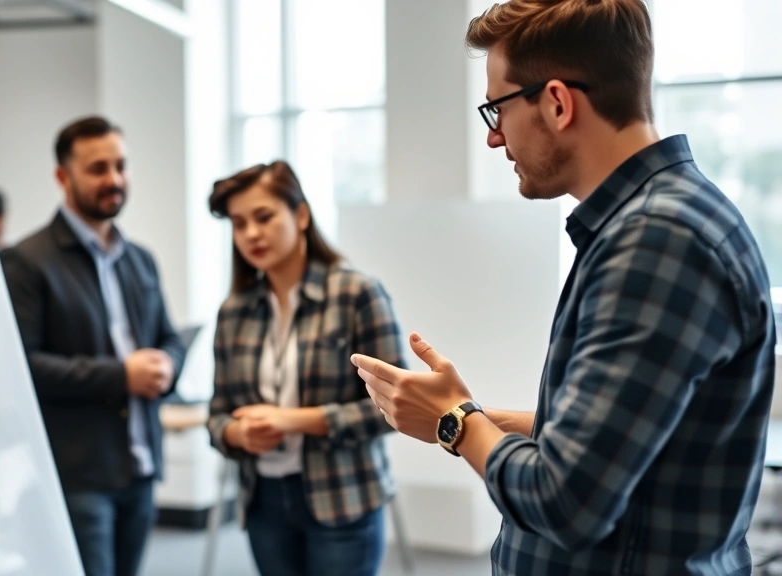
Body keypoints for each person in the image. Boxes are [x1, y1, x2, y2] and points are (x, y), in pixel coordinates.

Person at [352, 1, 777, 574]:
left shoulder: (656, 240)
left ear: (556, 102)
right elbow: (624, 444)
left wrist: (455, 422)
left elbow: (567, 501)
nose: (494, 139)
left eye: (496, 110)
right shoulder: (652, 222)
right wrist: (476, 415)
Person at [1, 116, 185, 576]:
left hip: (140, 465)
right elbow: (22, 367)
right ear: (63, 177)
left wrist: (168, 366)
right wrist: (122, 376)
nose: (114, 180)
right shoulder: (27, 262)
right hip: (79, 472)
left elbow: (169, 337)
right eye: (98, 168)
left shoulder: (139, 258)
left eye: (121, 166)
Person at [206, 161, 405, 576]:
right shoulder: (234, 311)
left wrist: (296, 420)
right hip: (264, 502)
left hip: (343, 496)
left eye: (264, 217)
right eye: (239, 224)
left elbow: (395, 409)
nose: (251, 234)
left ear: (300, 215)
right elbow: (217, 413)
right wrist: (236, 432)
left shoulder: (356, 294)